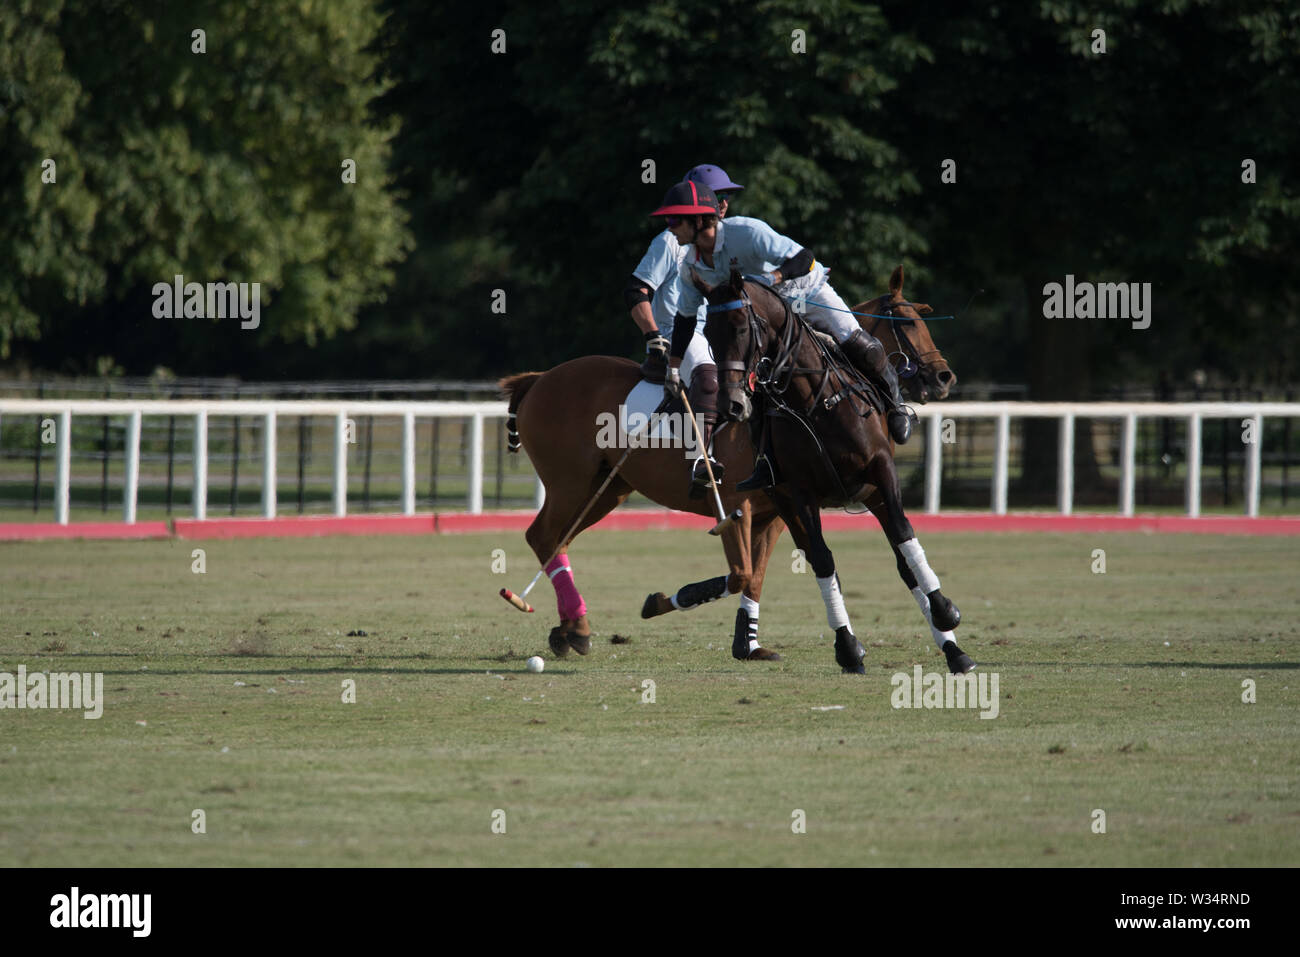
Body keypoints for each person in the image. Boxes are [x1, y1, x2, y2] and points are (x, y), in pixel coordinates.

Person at [659, 194, 915, 490]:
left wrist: (773, 278)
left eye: (675, 220)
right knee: (757, 387)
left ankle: (895, 405)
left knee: (861, 346)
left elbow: (804, 258)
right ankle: (766, 462)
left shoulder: (747, 232)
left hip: (806, 292)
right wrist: (674, 368)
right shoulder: (690, 265)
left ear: (700, 220)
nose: (670, 227)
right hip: (769, 318)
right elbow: (685, 319)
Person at [625, 166, 745, 495]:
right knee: (707, 376)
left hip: (722, 331)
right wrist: (653, 335)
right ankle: (700, 460)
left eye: (727, 198)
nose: (724, 204)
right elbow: (637, 291)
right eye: (718, 197)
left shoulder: (728, 240)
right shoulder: (669, 242)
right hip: (680, 330)